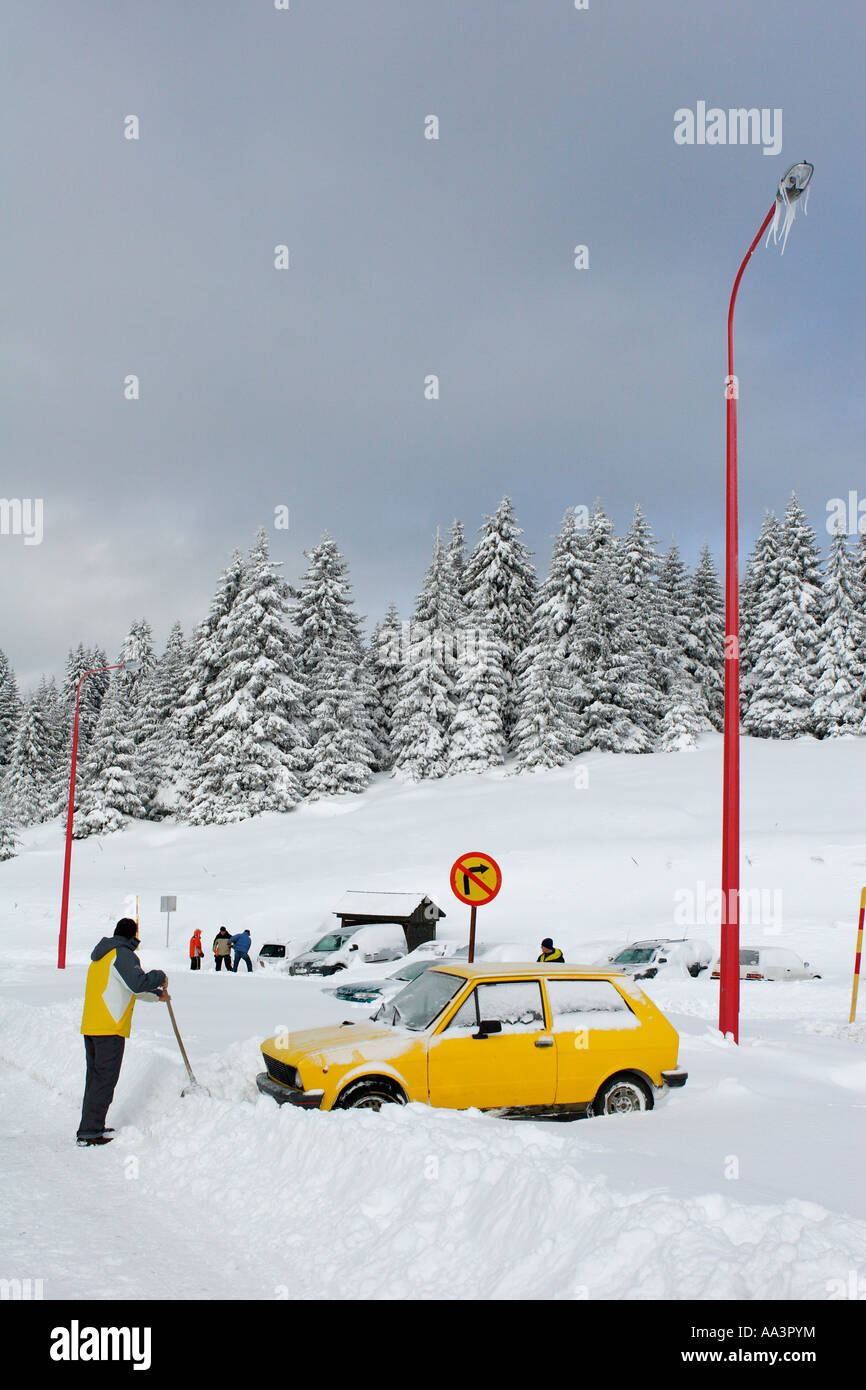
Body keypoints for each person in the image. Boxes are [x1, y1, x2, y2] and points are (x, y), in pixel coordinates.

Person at [77, 918, 169, 1147]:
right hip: (109, 1029)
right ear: (133, 936)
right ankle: (89, 1132)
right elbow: (137, 983)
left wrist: (157, 995)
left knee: (95, 1080)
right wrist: (160, 976)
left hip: (92, 1025)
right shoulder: (123, 954)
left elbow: (127, 988)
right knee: (104, 1080)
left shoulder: (103, 955)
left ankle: (92, 1125)